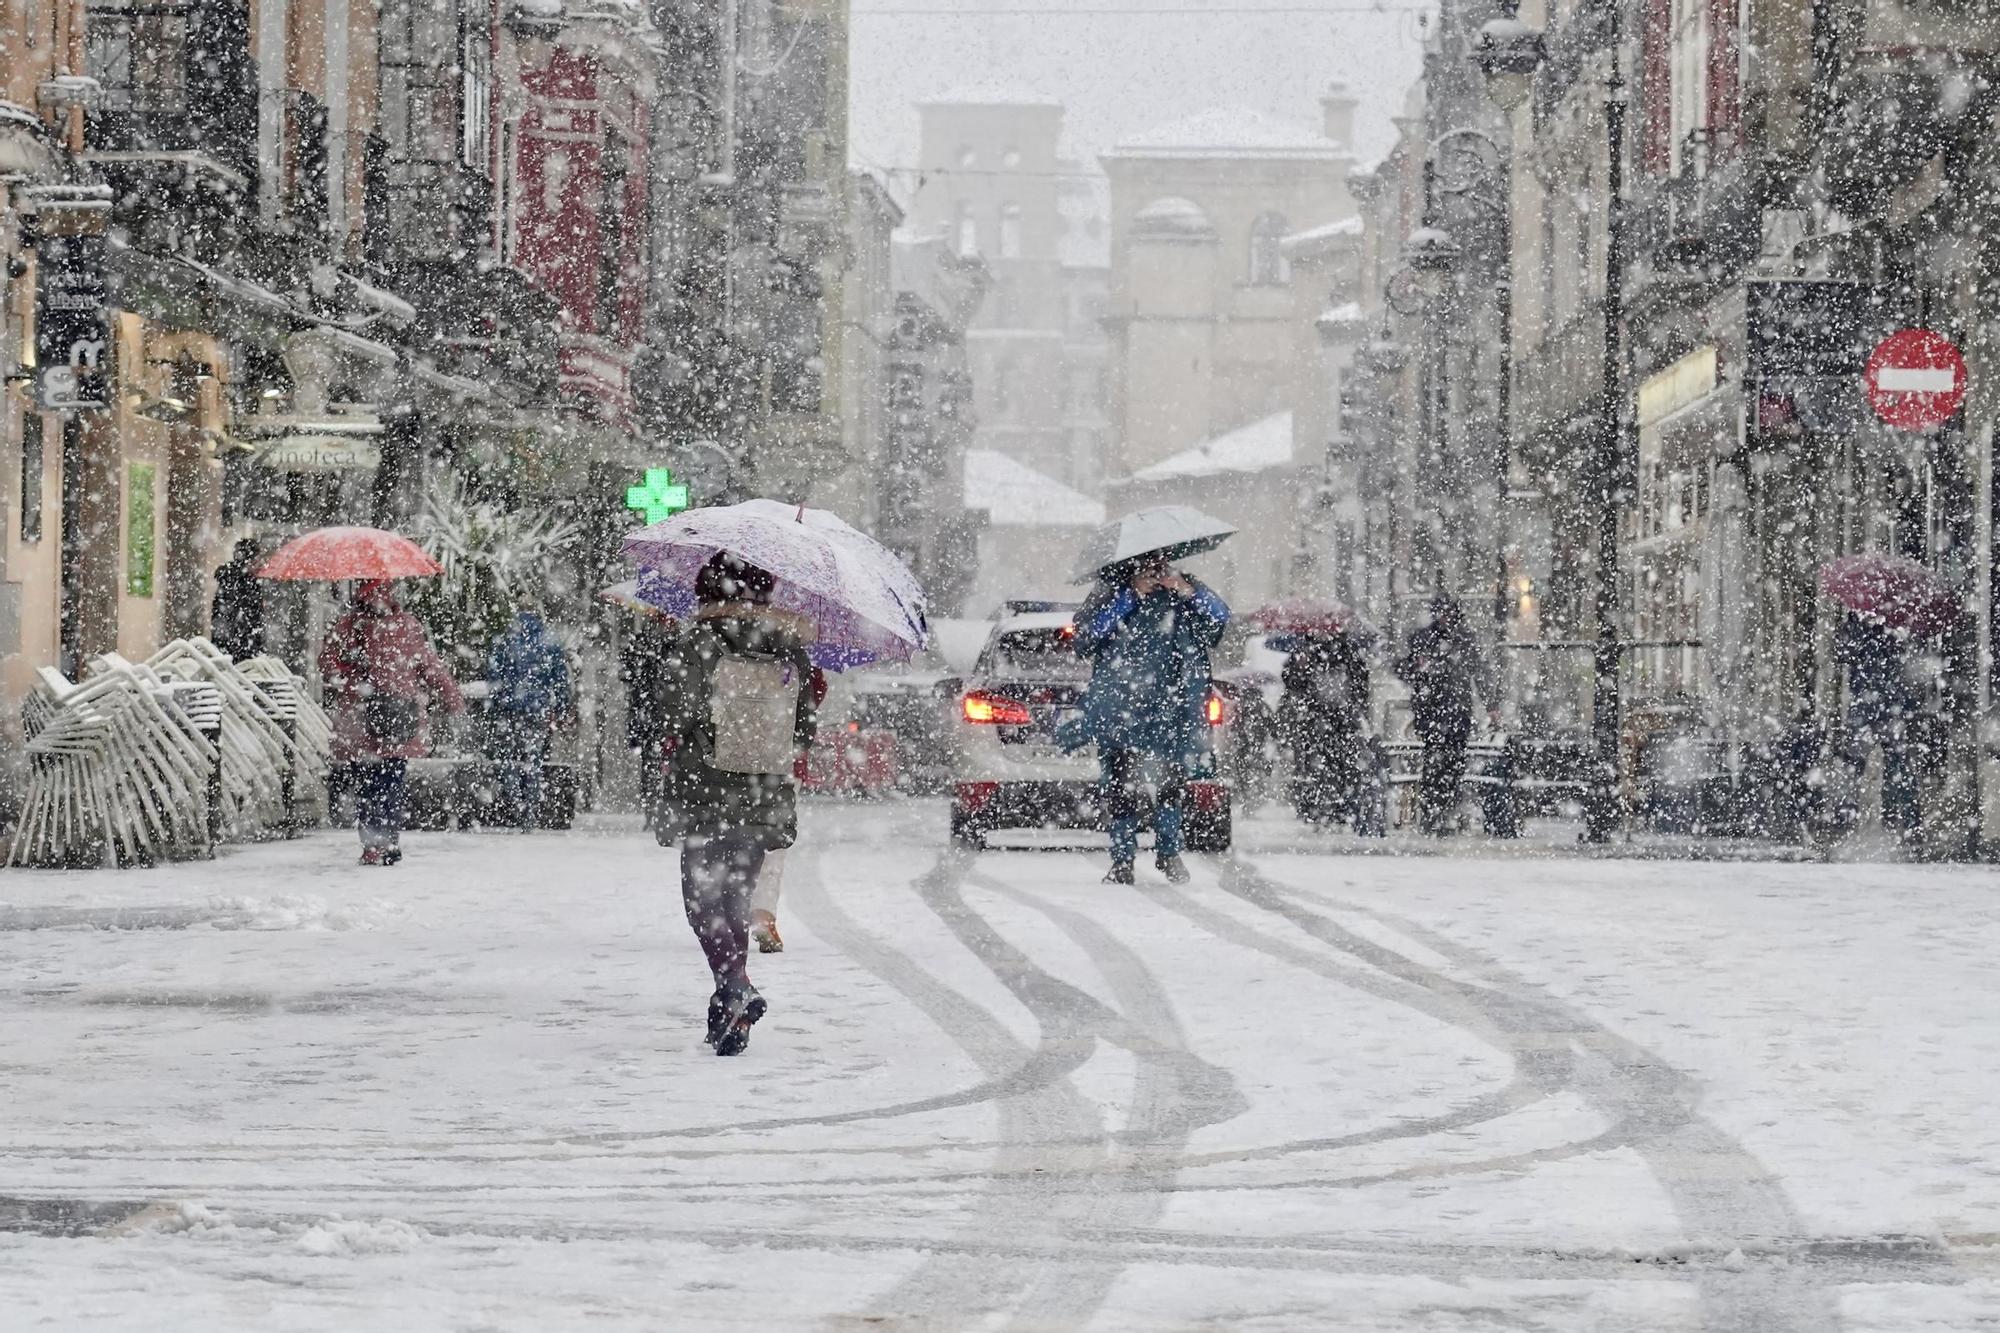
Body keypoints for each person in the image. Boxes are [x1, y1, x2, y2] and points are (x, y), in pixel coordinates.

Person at [656, 553, 818, 1056]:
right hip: (762, 793)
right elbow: (805, 728)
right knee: (736, 899)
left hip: (706, 791)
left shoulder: (698, 641)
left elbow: (673, 709)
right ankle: (730, 1008)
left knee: (703, 902)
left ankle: (734, 986)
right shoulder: (789, 648)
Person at [1069, 556, 1230, 885]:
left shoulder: (1183, 589)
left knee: (1171, 784)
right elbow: (1085, 638)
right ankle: (1122, 859)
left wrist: (1184, 588)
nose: (1155, 568)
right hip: (1121, 705)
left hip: (1170, 706)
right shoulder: (1112, 589)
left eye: (1161, 561)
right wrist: (1130, 595)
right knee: (1121, 785)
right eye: (1148, 563)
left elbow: (1219, 620)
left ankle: (1168, 852)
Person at [318, 580, 464, 866]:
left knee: (367, 785)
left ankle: (374, 843)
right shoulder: (406, 625)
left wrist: (349, 668)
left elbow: (327, 664)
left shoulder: (348, 626)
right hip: (398, 716)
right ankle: (388, 840)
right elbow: (429, 665)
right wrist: (452, 697)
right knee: (391, 782)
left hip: (361, 719)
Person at [1393, 594, 1499, 835]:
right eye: (1442, 613)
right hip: (1433, 711)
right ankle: (1434, 813)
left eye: (1448, 613)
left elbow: (1478, 673)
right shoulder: (1426, 639)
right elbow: (1405, 669)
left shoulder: (1462, 640)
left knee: (1451, 764)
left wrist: (1490, 704)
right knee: (1434, 764)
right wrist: (1417, 669)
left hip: (1453, 711)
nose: (1445, 618)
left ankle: (1444, 811)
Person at [1279, 626, 1382, 832]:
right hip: (1322, 719)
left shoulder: (1345, 654)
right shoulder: (1309, 652)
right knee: (1319, 765)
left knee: (1336, 765)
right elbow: (1292, 683)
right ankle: (1320, 807)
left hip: (1337, 720)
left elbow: (1360, 684)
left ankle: (1334, 808)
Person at [485, 598, 574, 828]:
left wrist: (497, 703)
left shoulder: (505, 640)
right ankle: (531, 808)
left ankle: (514, 800)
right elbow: (561, 679)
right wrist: (561, 707)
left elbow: (494, 676)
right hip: (537, 708)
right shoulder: (549, 641)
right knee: (533, 758)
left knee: (509, 758)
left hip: (510, 708)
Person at [1834, 611, 1921, 834]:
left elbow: (1845, 654)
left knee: (1856, 763)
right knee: (1895, 762)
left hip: (1870, 704)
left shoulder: (1860, 620)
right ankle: (1904, 818)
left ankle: (1847, 816)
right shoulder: (1898, 620)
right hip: (1888, 704)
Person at [621, 605, 678, 827]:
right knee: (663, 763)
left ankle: (652, 808)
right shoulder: (678, 647)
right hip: (664, 715)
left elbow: (627, 676)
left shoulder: (641, 643)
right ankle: (658, 808)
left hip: (648, 713)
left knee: (651, 765)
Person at [210, 538, 267, 661]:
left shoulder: (231, 580)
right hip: (240, 652)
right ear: (248, 559)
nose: (261, 564)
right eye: (257, 560)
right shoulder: (243, 584)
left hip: (230, 649)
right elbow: (247, 619)